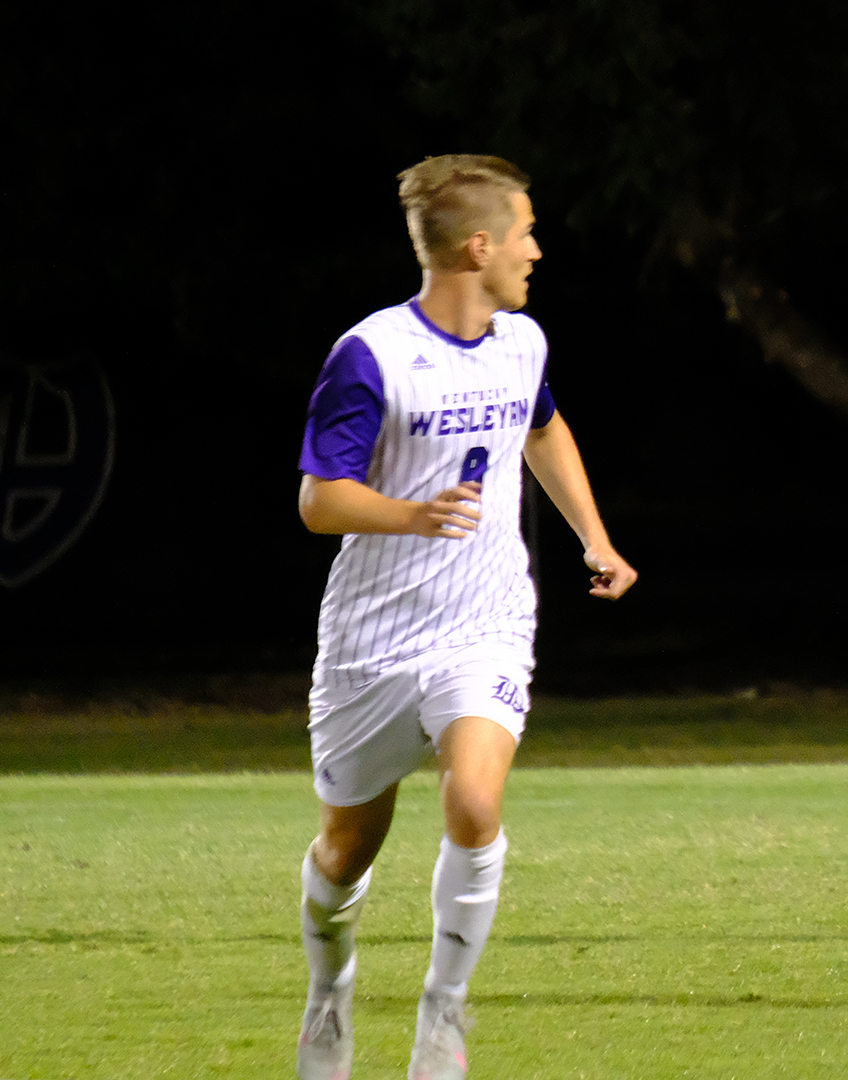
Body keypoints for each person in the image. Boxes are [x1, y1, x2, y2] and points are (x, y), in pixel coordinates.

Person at [293, 154, 637, 1079]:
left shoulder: (522, 342)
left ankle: (443, 1014)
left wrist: (595, 538)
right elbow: (319, 500)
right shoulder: (371, 354)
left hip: (484, 622)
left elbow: (542, 428)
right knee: (345, 850)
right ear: (479, 247)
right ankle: (329, 990)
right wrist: (411, 514)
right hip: (371, 639)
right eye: (525, 232)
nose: (536, 250)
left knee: (476, 803)